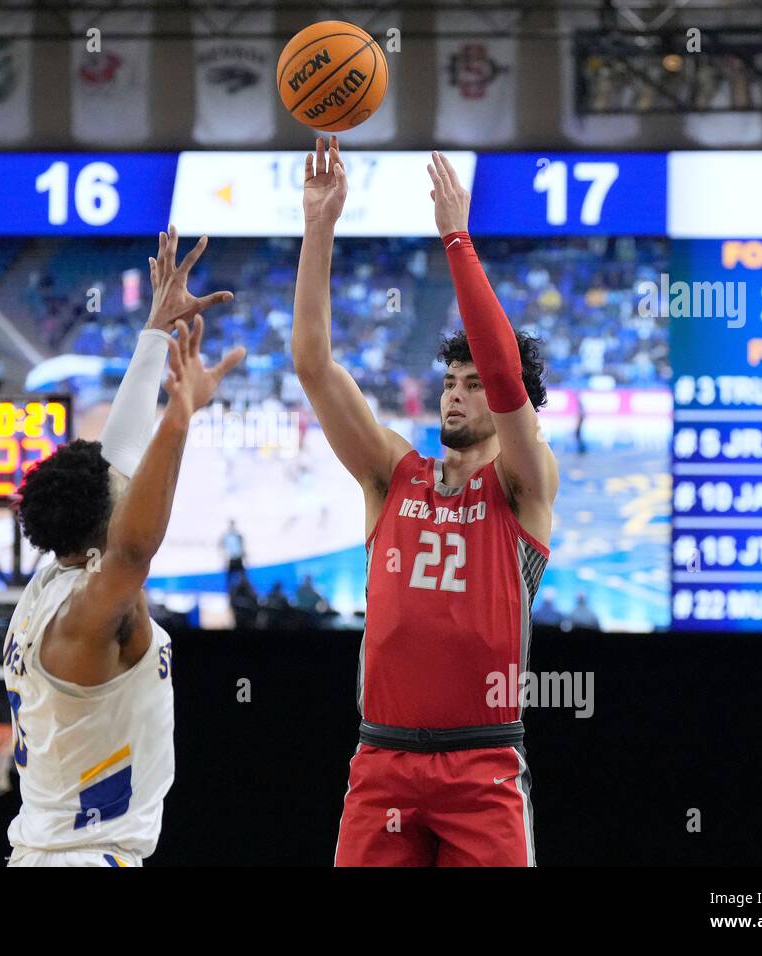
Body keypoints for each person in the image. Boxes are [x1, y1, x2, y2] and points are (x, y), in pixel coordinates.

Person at [292, 138, 558, 867]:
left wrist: (456, 237)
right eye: (450, 380)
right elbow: (312, 364)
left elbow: (508, 377)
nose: (457, 392)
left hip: (483, 765)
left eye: (473, 383)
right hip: (383, 763)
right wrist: (319, 227)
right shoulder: (390, 473)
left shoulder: (523, 485)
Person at [2, 227, 244, 867]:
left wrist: (156, 331)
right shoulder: (88, 616)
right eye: (121, 489)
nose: (126, 478)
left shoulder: (52, 579)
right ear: (103, 527)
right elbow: (135, 552)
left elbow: (119, 455)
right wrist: (180, 415)